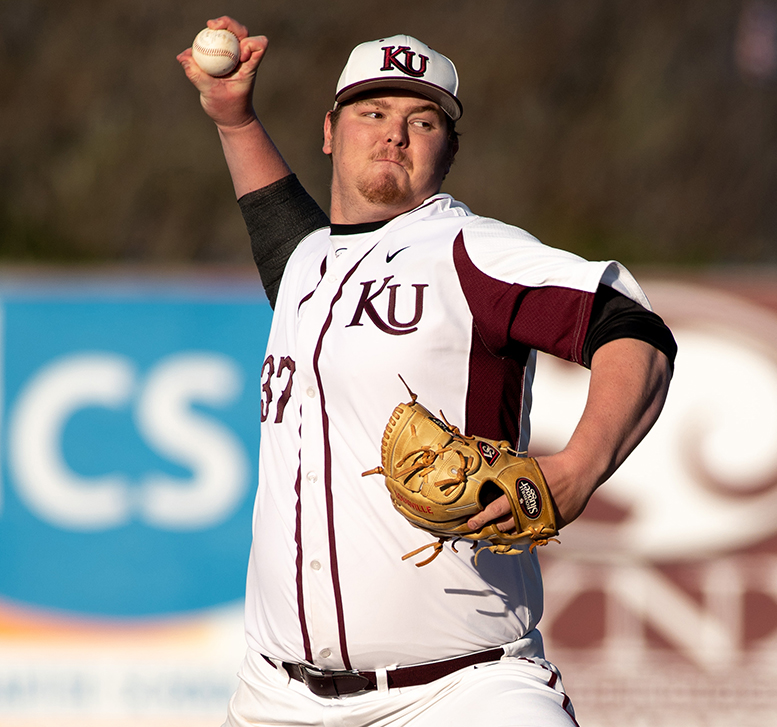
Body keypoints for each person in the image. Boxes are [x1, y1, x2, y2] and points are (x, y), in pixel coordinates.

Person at [178, 16, 676, 727]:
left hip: (462, 692)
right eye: (372, 112)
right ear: (329, 130)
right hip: (276, 697)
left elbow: (633, 328)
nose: (394, 133)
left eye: (422, 121)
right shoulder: (305, 266)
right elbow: (277, 225)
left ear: (448, 150)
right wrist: (235, 120)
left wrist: (581, 465)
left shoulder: (470, 250)